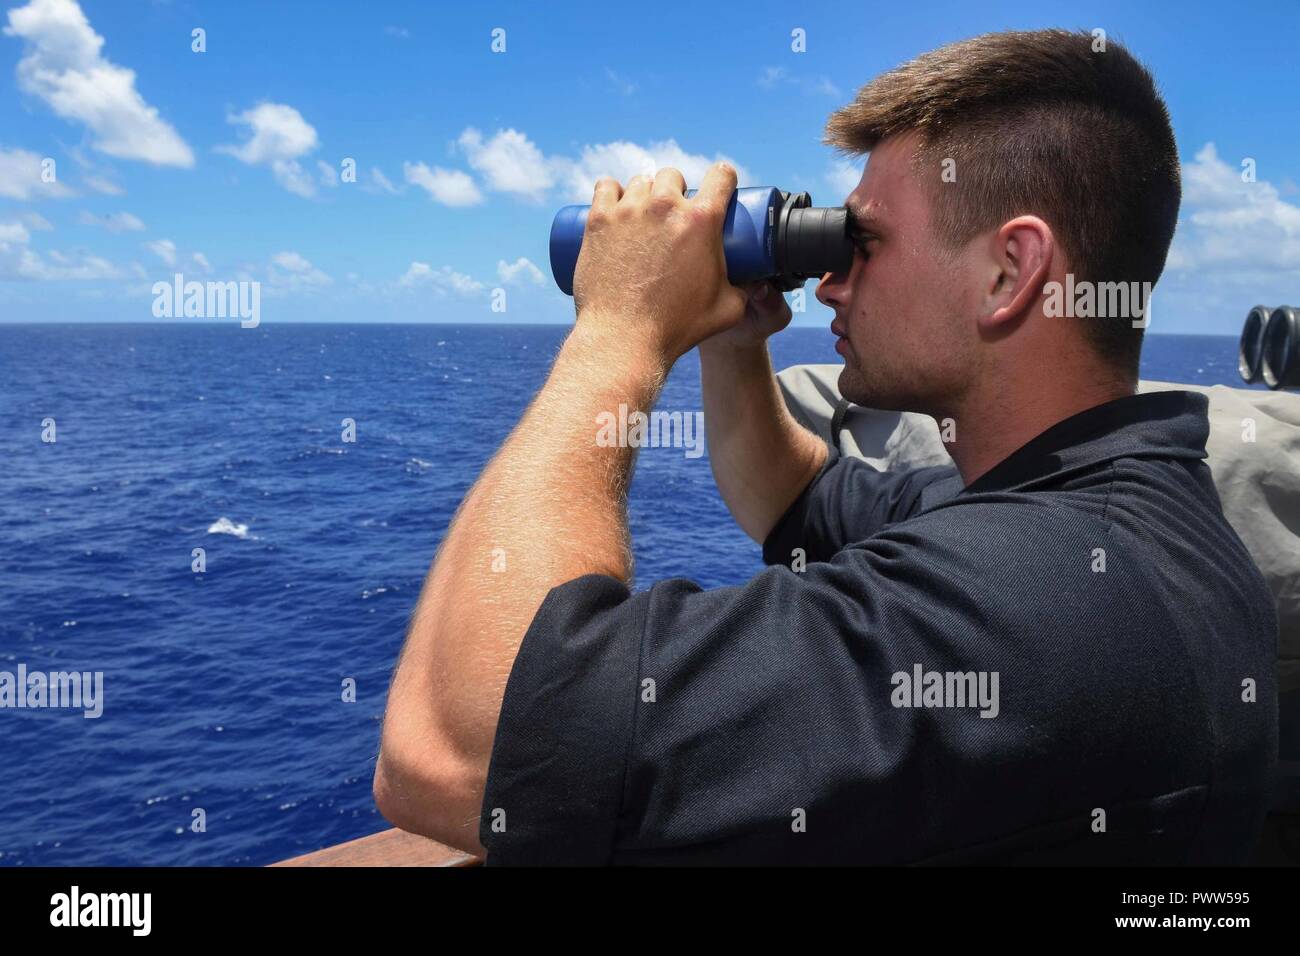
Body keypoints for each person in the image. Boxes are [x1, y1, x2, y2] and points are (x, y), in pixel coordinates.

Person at [373, 28, 1277, 864]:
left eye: (865, 242)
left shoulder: (1034, 606)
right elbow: (790, 494)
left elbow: (455, 746)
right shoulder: (1096, 511)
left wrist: (615, 333)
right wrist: (734, 335)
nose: (831, 281)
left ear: (1011, 271)